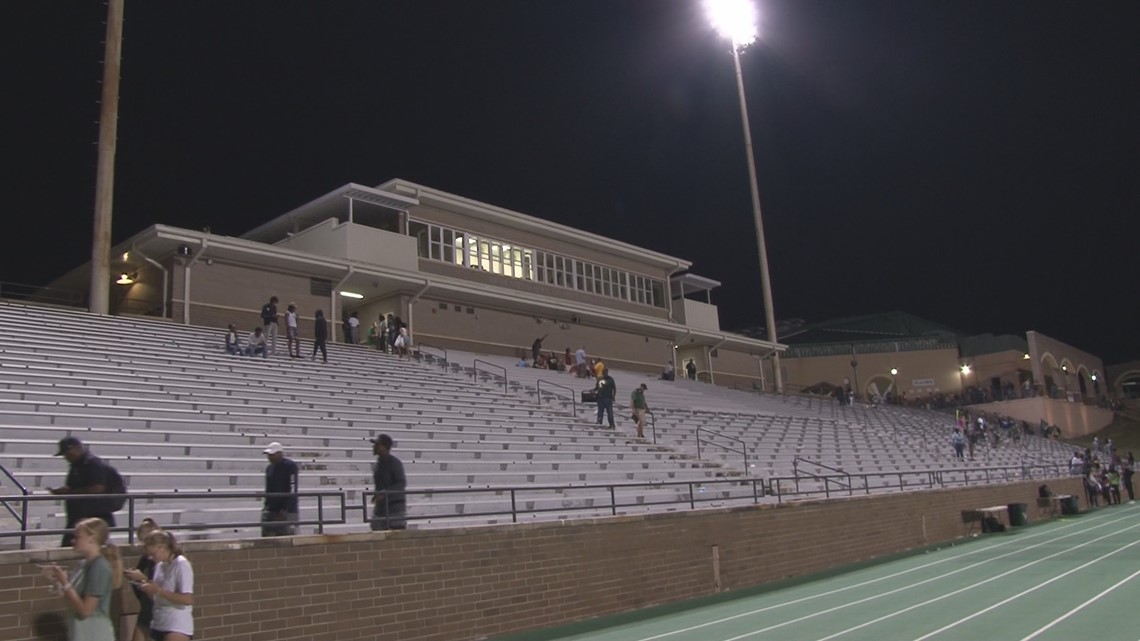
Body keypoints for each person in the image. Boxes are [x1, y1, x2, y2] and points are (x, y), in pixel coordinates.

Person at [41, 517, 123, 641]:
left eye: (78, 537)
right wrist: (58, 580)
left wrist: (65, 582)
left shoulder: (99, 567)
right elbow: (71, 598)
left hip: (94, 632)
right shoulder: (83, 564)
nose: (73, 540)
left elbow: (85, 610)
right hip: (80, 631)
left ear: (91, 538)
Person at [126, 530, 194, 641]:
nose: (150, 558)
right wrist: (146, 586)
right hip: (158, 623)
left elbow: (187, 599)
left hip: (176, 625)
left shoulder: (181, 564)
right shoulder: (160, 565)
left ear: (162, 547)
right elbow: (157, 596)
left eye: (152, 554)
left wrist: (158, 591)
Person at [50, 437, 115, 547]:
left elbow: (97, 488)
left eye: (68, 453)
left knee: (84, 548)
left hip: (90, 518)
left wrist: (71, 492)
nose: (67, 457)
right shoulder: (76, 466)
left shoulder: (92, 464)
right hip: (77, 518)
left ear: (77, 448)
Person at [127, 518, 161, 641]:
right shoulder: (145, 559)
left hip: (158, 611)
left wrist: (144, 578)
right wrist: (133, 578)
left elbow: (164, 587)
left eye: (146, 542)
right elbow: (140, 589)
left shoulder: (164, 561)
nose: (144, 547)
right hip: (146, 607)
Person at [261, 442, 299, 537]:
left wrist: (285, 509)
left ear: (280, 454)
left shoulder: (289, 466)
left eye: (272, 455)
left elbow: (292, 487)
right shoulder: (269, 468)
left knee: (286, 537)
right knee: (267, 537)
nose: (270, 457)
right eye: (269, 455)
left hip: (287, 510)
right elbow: (268, 488)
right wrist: (266, 506)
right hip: (271, 509)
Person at [370, 434, 407, 530]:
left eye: (377, 444)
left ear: (384, 447)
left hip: (394, 510)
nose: (373, 447)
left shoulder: (395, 463)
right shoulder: (378, 464)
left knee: (395, 539)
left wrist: (384, 493)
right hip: (380, 509)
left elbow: (401, 483)